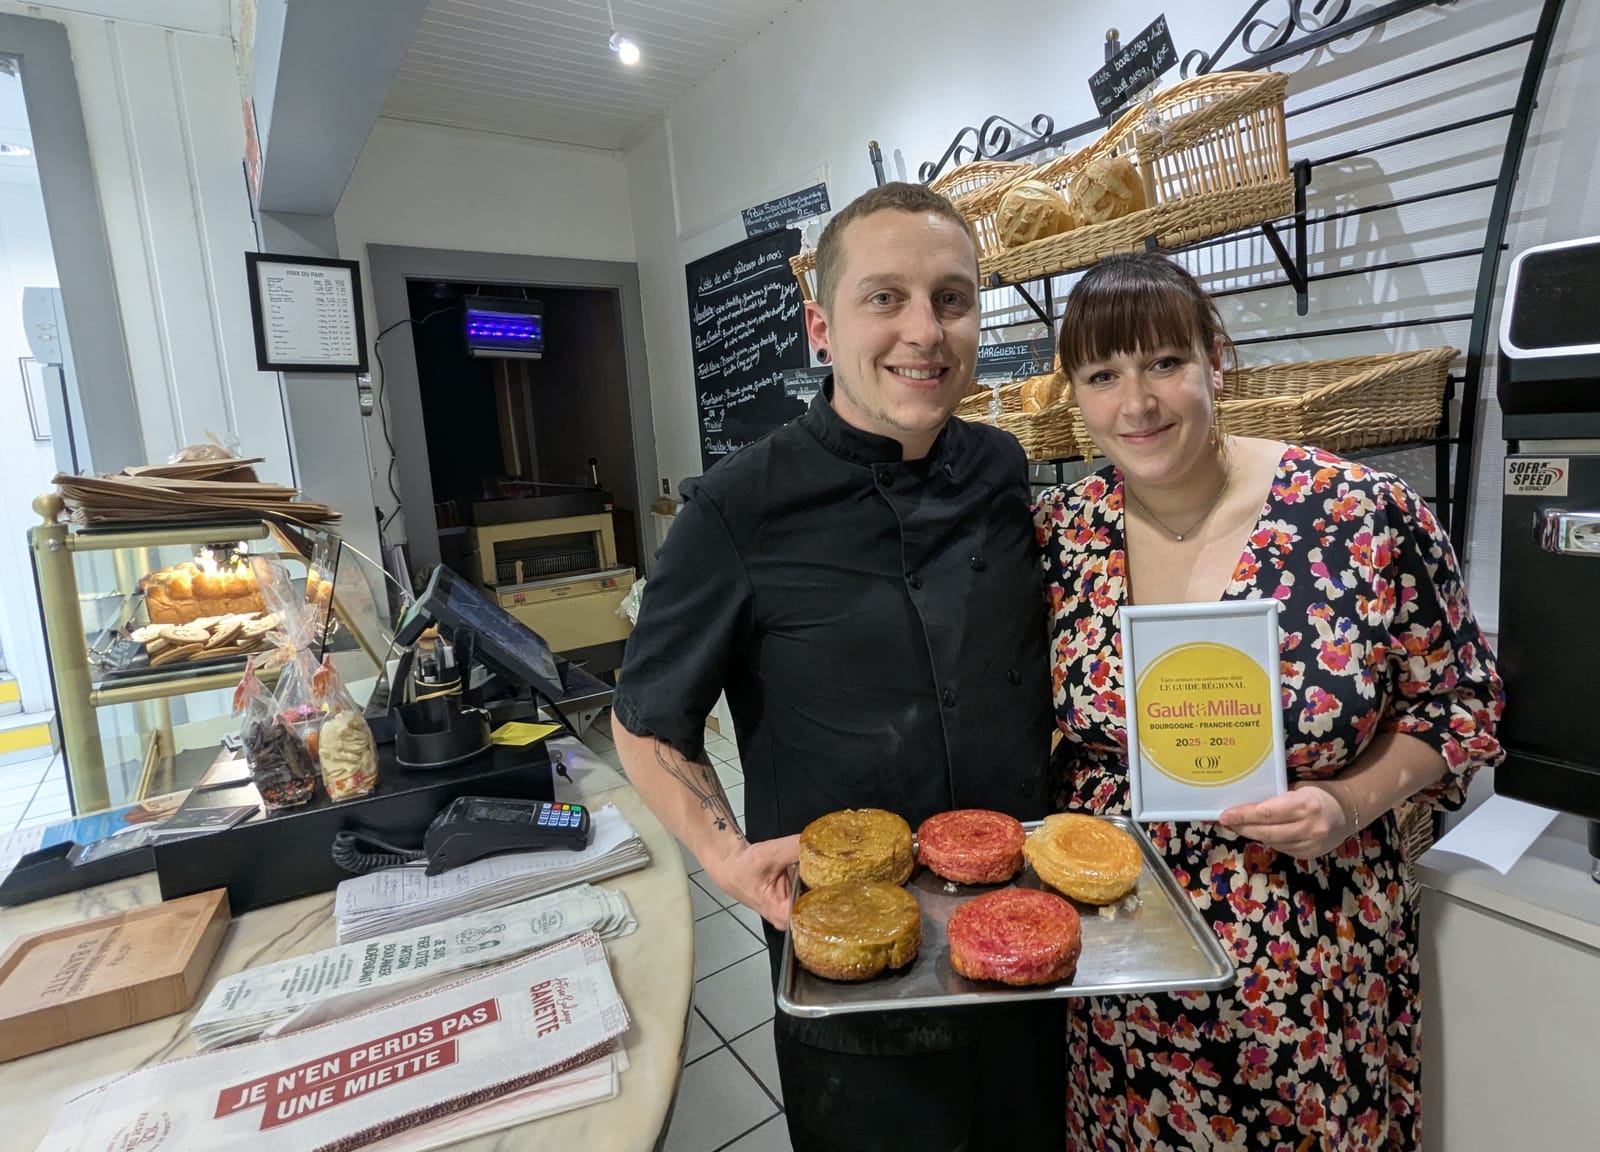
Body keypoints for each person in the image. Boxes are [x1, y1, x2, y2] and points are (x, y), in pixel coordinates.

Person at [612, 181, 1063, 1152]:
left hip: (1019, 938)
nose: (924, 332)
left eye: (951, 298)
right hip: (854, 977)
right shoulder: (734, 509)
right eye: (884, 298)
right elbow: (646, 721)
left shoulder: (1001, 469)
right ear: (821, 325)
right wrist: (724, 857)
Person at [1035, 252, 1504, 1151]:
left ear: (1218, 358)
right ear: (1076, 396)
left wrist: (1346, 800)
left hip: (1310, 965)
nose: (1137, 404)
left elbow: (1462, 702)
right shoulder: (1060, 535)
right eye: (1103, 375)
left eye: (1164, 363)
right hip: (1123, 964)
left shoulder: (1360, 513)